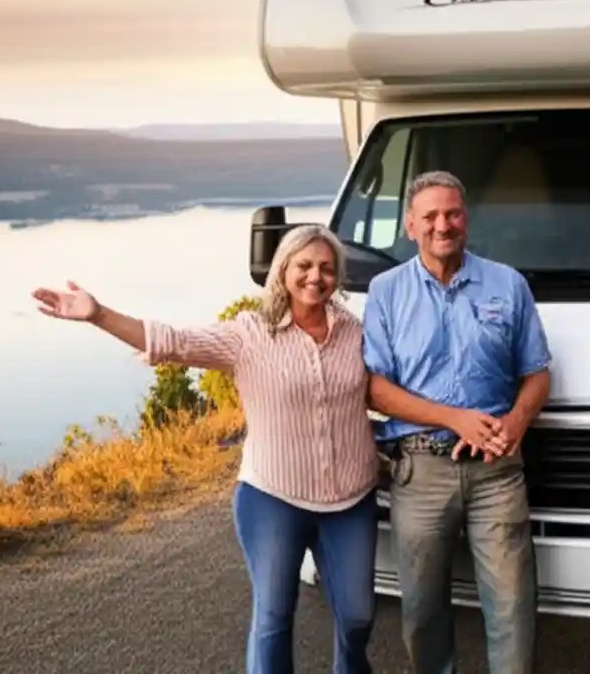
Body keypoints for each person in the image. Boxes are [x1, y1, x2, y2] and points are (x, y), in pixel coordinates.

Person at [31, 224, 379, 674]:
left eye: (327, 268)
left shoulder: (355, 332)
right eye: (305, 265)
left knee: (357, 616)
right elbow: (174, 342)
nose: (316, 276)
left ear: (338, 276)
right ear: (283, 271)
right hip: (274, 496)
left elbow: (390, 385)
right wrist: (99, 315)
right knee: (274, 617)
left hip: (350, 498)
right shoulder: (250, 334)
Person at [362, 170, 552, 674]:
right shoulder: (385, 292)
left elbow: (537, 374)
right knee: (422, 611)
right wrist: (454, 419)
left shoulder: (507, 284)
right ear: (409, 226)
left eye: (452, 213)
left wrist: (516, 422)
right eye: (430, 216)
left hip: (496, 469)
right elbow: (376, 389)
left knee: (512, 606)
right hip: (419, 471)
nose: (442, 225)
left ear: (466, 219)